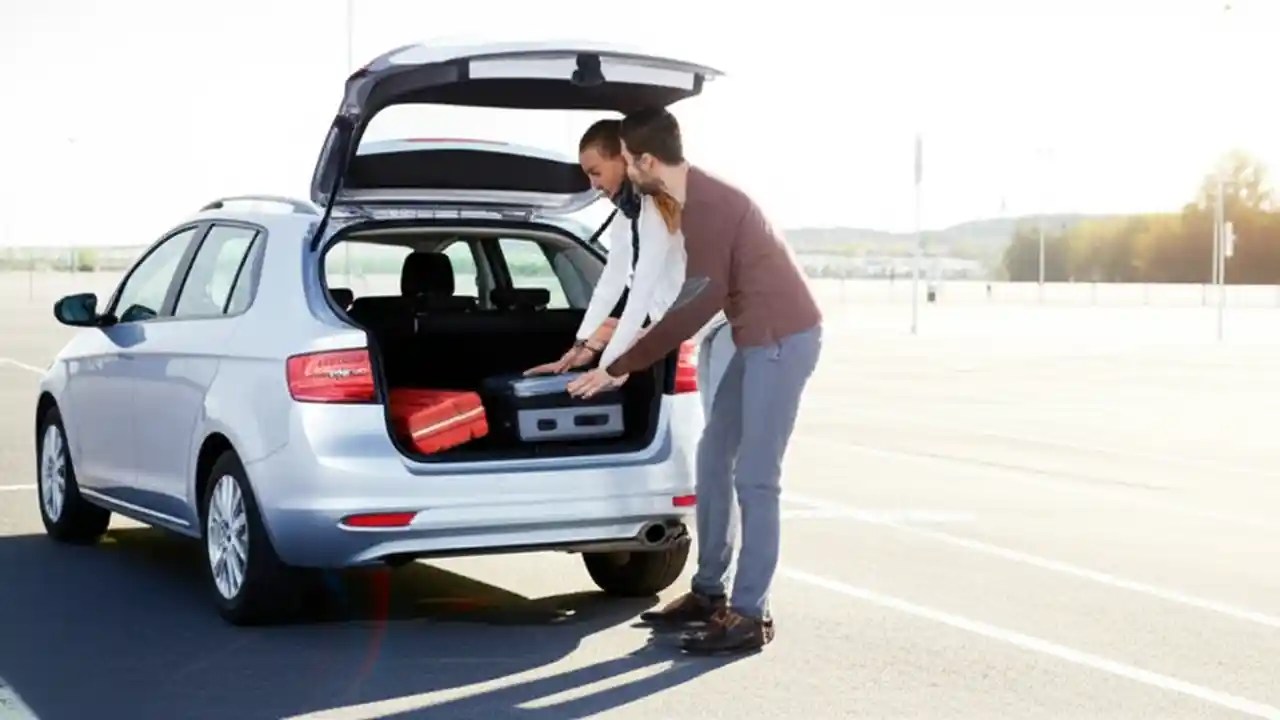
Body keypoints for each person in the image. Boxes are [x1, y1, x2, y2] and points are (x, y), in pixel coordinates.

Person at [566, 108, 823, 655]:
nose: (628, 175)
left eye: (628, 162)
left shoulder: (709, 206)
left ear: (645, 161)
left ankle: (751, 614)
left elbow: (694, 304)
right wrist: (610, 352)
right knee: (713, 456)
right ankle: (710, 592)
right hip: (754, 338)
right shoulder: (687, 199)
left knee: (756, 477)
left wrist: (619, 364)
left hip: (783, 339)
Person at [525, 119, 687, 377]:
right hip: (668, 328)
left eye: (595, 172)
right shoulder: (628, 216)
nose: (593, 185)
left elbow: (641, 293)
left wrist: (608, 368)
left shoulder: (659, 208)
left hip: (697, 330)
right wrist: (581, 343)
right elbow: (611, 282)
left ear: (623, 159)